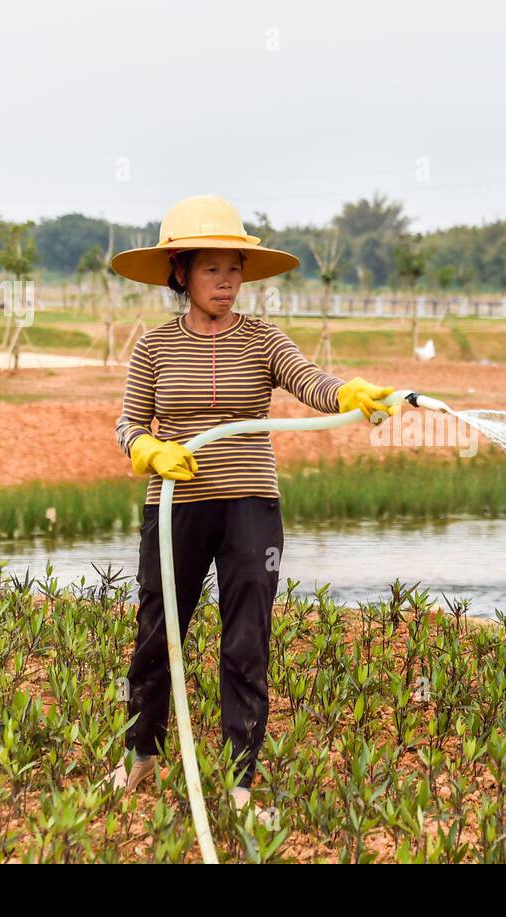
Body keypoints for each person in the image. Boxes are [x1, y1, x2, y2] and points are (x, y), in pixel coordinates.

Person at [104, 195, 396, 811]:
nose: (228, 283)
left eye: (235, 269)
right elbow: (127, 425)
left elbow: (310, 381)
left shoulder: (263, 339)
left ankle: (240, 783)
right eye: (213, 270)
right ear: (180, 273)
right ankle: (141, 757)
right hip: (176, 504)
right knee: (159, 634)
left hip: (250, 504)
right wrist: (150, 450)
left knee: (245, 641)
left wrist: (350, 392)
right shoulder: (154, 347)